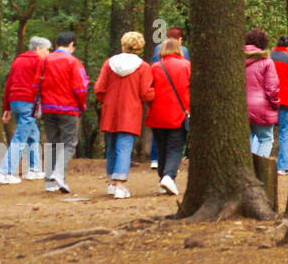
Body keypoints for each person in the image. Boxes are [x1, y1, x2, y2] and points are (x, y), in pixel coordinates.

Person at [94, 31, 156, 199]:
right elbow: (145, 92)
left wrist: (104, 101)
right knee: (124, 146)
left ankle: (111, 183)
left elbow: (99, 88)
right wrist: (153, 95)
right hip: (131, 110)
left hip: (110, 109)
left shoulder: (109, 63)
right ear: (140, 47)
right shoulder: (143, 67)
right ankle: (121, 185)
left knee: (111, 146)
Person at [40, 31, 89, 194]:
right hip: (68, 107)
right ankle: (59, 174)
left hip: (48, 107)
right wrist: (81, 105)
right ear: (71, 45)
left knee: (52, 142)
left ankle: (49, 181)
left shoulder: (44, 61)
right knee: (69, 143)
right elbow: (80, 88)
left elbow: (35, 84)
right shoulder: (73, 62)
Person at [0, 37, 50, 184]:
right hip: (28, 102)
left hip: (15, 101)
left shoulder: (18, 60)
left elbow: (9, 84)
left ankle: (34, 169)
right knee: (20, 137)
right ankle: (5, 172)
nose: (48, 53)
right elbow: (42, 82)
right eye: (46, 49)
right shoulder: (39, 61)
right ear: (38, 49)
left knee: (33, 134)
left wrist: (7, 107)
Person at [148, 36, 191, 195]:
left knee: (161, 148)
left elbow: (148, 91)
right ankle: (168, 176)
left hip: (157, 114)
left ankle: (163, 180)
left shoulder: (154, 68)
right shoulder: (187, 66)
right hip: (178, 113)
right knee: (175, 147)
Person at [244, 28, 280, 158]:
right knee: (266, 139)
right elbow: (272, 88)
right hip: (261, 107)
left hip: (241, 107)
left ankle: (246, 168)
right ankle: (259, 171)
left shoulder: (236, 61)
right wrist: (275, 104)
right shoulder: (267, 62)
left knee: (244, 141)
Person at [271, 37, 288, 175]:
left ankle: (257, 162)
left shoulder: (269, 56)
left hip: (268, 101)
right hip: (287, 101)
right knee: (285, 134)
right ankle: (285, 166)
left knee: (263, 134)